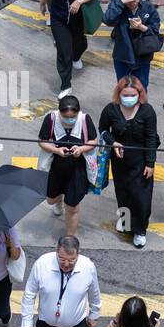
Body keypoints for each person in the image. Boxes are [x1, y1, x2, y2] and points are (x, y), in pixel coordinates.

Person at [99, 76, 160, 249]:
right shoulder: (111, 110)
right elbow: (103, 130)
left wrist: (150, 163)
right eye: (125, 94)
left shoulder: (147, 111)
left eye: (133, 94)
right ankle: (125, 222)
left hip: (141, 162)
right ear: (119, 94)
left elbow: (150, 138)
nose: (129, 98)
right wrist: (113, 142)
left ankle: (140, 230)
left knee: (141, 197)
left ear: (140, 94)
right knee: (123, 193)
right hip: (119, 161)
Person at [38, 0, 97, 99]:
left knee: (80, 44)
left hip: (77, 19)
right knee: (64, 51)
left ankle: (77, 56)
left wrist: (79, 0)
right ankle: (66, 85)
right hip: (59, 18)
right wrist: (42, 4)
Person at [37, 95, 98, 237]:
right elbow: (42, 141)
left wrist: (81, 149)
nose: (69, 120)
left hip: (77, 170)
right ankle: (58, 203)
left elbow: (94, 140)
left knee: (72, 207)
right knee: (50, 200)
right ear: (59, 112)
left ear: (78, 113)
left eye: (73, 117)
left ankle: (69, 239)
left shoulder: (84, 119)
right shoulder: (51, 119)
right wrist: (57, 150)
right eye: (65, 116)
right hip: (55, 168)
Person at [103, 0, 161, 88]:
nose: (131, 5)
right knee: (122, 88)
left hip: (142, 56)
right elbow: (107, 20)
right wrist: (121, 3)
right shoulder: (118, 5)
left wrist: (141, 27)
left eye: (134, 1)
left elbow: (155, 29)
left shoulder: (148, 8)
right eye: (128, 2)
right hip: (122, 56)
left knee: (141, 88)